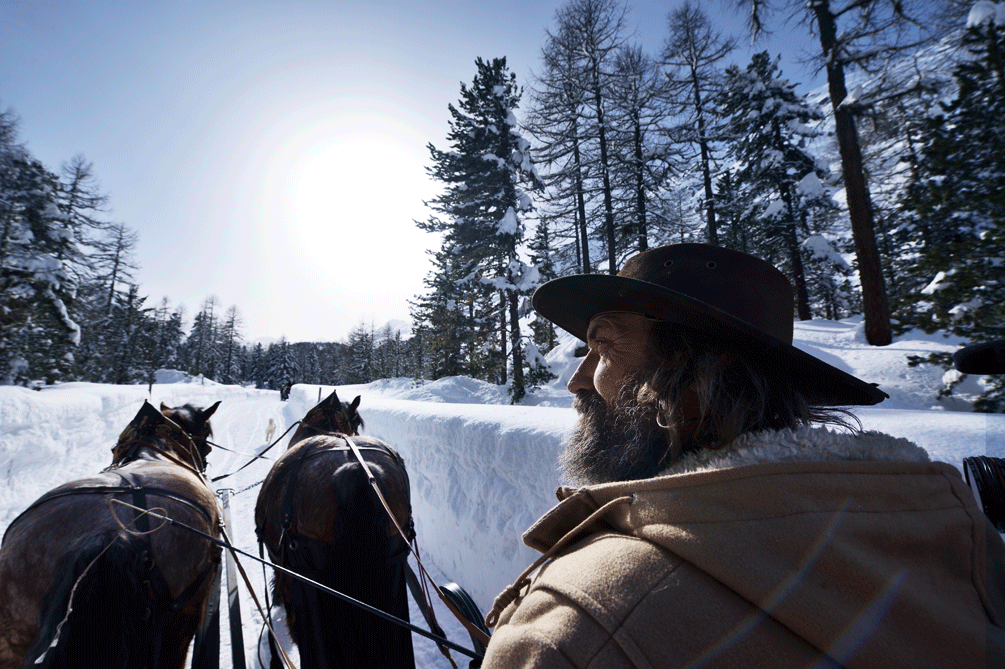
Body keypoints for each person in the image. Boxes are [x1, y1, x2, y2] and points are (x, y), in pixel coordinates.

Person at [480, 244, 1005, 668]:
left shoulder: (571, 627)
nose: (576, 381)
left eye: (604, 347)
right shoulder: (954, 530)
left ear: (697, 376)